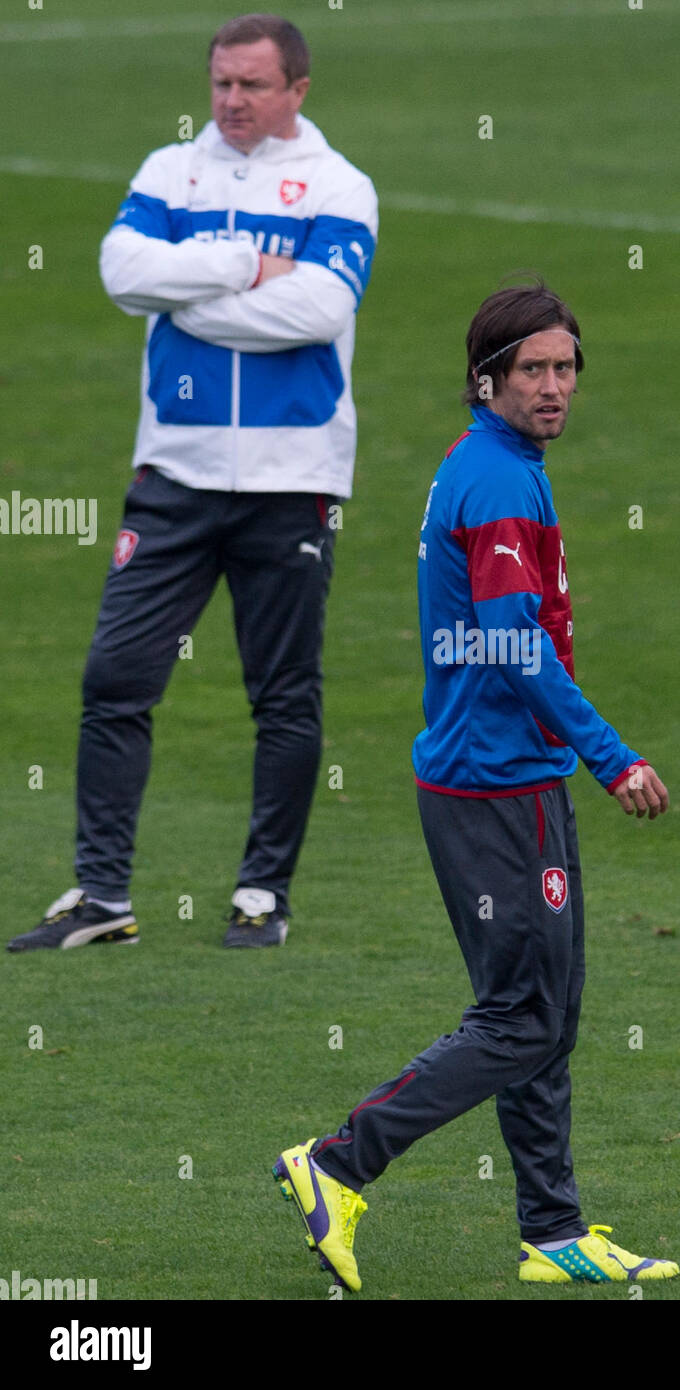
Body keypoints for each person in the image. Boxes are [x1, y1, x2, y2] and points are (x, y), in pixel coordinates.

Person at [271, 282, 680, 1289]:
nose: (553, 387)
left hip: (509, 776)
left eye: (566, 368)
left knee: (546, 1012)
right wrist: (611, 752)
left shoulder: (492, 465)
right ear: (487, 379)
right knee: (521, 1018)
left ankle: (554, 1229)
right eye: (532, 370)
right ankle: (335, 1162)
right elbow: (510, 640)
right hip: (494, 785)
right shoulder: (496, 481)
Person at [7, 15, 378, 954]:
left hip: (293, 480)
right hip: (175, 471)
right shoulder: (168, 172)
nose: (231, 102)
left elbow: (321, 307)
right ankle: (101, 898)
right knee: (114, 679)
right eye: (221, 84)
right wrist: (247, 266)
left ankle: (262, 896)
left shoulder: (339, 187)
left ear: (298, 88)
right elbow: (123, 271)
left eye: (252, 86)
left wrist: (194, 299)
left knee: (282, 695)